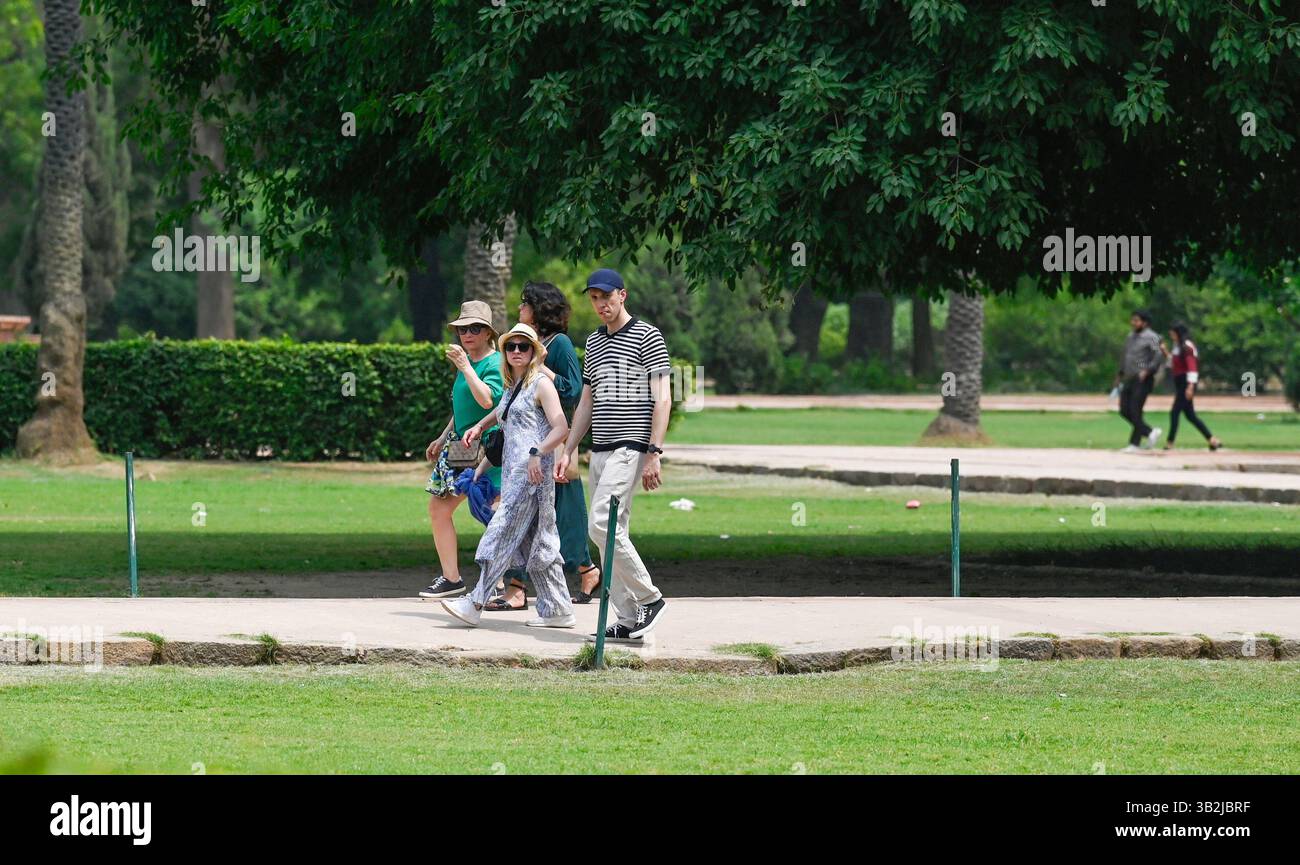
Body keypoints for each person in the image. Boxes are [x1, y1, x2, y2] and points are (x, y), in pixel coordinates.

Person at [555, 268, 671, 644]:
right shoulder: (592, 342)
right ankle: (628, 617)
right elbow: (587, 400)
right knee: (611, 531)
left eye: (607, 297)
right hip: (600, 449)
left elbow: (663, 397)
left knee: (599, 523)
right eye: (594, 298)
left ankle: (649, 598)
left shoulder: (647, 335)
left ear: (623, 295)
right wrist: (569, 447)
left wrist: (654, 452)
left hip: (631, 445)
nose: (601, 304)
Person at [441, 323, 576, 629]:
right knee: (534, 543)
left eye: (523, 346)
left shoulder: (541, 384)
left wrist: (536, 453)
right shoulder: (512, 386)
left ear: (534, 352)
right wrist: (480, 429)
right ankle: (558, 610)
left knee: (500, 533)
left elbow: (561, 427)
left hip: (531, 479)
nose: (517, 351)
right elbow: (504, 418)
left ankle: (475, 602)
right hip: (515, 474)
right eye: (511, 347)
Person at [485, 281, 602, 612]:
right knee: (546, 516)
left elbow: (573, 391)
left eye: (525, 303)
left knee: (551, 514)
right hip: (525, 445)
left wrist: (541, 365)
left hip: (551, 441)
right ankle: (584, 570)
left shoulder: (559, 344)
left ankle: (521, 588)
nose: (520, 307)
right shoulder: (527, 345)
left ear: (538, 308)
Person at [418, 300, 504, 599]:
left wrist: (467, 367)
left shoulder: (494, 363)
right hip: (461, 444)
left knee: (489, 511)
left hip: (486, 446)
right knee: (440, 509)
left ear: (488, 333)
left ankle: (499, 584)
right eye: (462, 329)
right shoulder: (467, 361)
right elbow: (462, 407)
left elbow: (486, 401)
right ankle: (452, 578)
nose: (467, 334)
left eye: (474, 328)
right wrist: (442, 437)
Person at [1160, 322, 1223, 451]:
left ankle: (1170, 442)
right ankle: (1212, 440)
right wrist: (1165, 352)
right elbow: (1174, 363)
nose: (1171, 335)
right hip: (1180, 382)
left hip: (1186, 383)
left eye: (1173, 333)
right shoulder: (1177, 347)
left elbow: (1192, 367)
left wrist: (1190, 386)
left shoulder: (1187, 347)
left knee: (1174, 412)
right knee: (1190, 416)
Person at [1114, 309, 1164, 453]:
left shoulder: (1154, 337)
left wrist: (1148, 370)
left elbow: (1158, 356)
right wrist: (1119, 374)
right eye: (1132, 320)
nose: (1133, 323)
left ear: (1145, 323)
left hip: (1143, 379)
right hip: (1129, 377)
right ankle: (1149, 432)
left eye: (1136, 320)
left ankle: (1134, 444)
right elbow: (1126, 357)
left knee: (1136, 410)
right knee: (1124, 410)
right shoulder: (1130, 337)